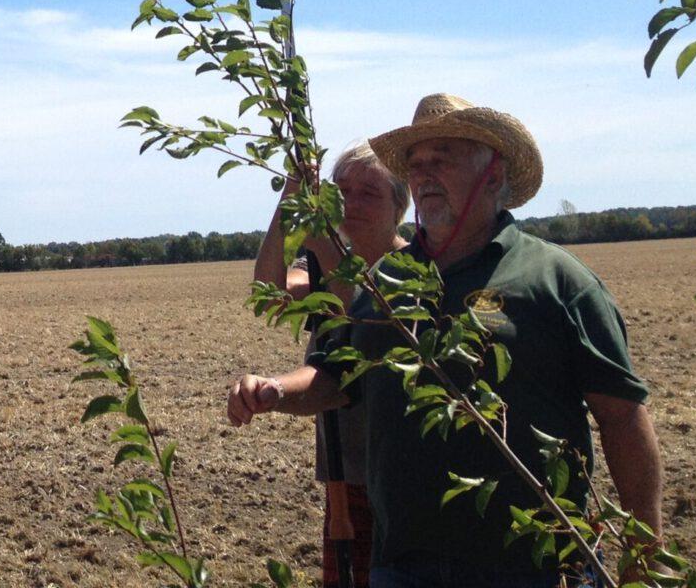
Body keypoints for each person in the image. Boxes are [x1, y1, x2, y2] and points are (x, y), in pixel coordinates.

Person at [227, 94, 664, 588]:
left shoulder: (555, 281)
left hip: (535, 567)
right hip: (404, 566)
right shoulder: (386, 282)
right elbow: (339, 376)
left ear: (493, 176)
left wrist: (644, 557)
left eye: (442, 158)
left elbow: (623, 417)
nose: (424, 173)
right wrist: (277, 392)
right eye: (416, 163)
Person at [249, 143, 409, 587]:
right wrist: (291, 200)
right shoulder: (317, 261)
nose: (351, 204)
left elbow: (356, 303)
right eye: (341, 191)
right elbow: (271, 291)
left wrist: (321, 238)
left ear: (400, 206)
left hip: (405, 478)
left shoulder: (413, 270)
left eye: (369, 193)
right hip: (346, 478)